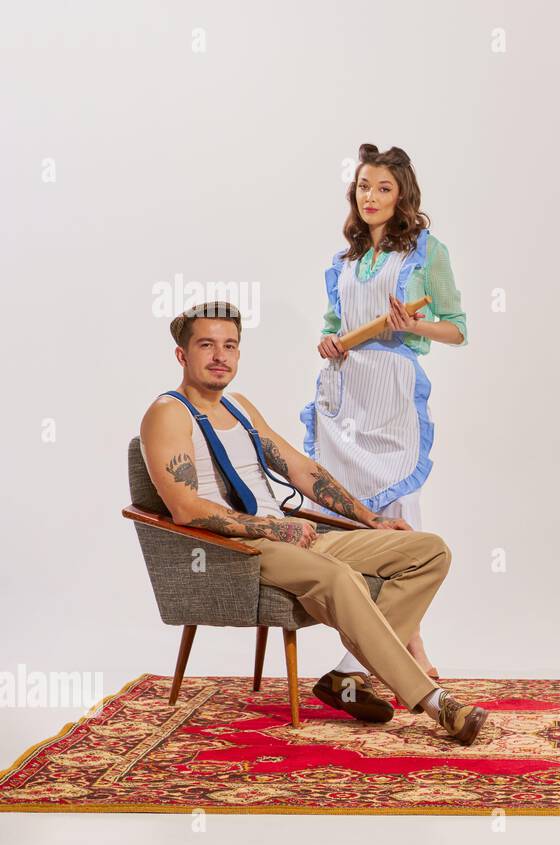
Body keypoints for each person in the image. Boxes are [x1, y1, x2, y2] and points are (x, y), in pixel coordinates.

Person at [138, 301, 487, 744]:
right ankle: (436, 703)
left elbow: (300, 469)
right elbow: (186, 509)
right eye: (206, 345)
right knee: (339, 577)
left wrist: (368, 518)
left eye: (230, 345)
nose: (220, 356)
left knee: (428, 550)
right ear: (182, 356)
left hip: (292, 534)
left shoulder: (240, 407)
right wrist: (272, 529)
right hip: (237, 548)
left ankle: (348, 676)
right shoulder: (168, 413)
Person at [301, 143, 467, 685]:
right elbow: (333, 325)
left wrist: (412, 326)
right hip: (348, 395)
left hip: (393, 394)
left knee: (404, 528)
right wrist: (330, 342)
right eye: (363, 186)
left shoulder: (426, 252)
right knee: (359, 526)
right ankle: (413, 659)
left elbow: (458, 328)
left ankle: (374, 663)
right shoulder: (344, 261)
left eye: (383, 188)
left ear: (403, 196)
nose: (370, 197)